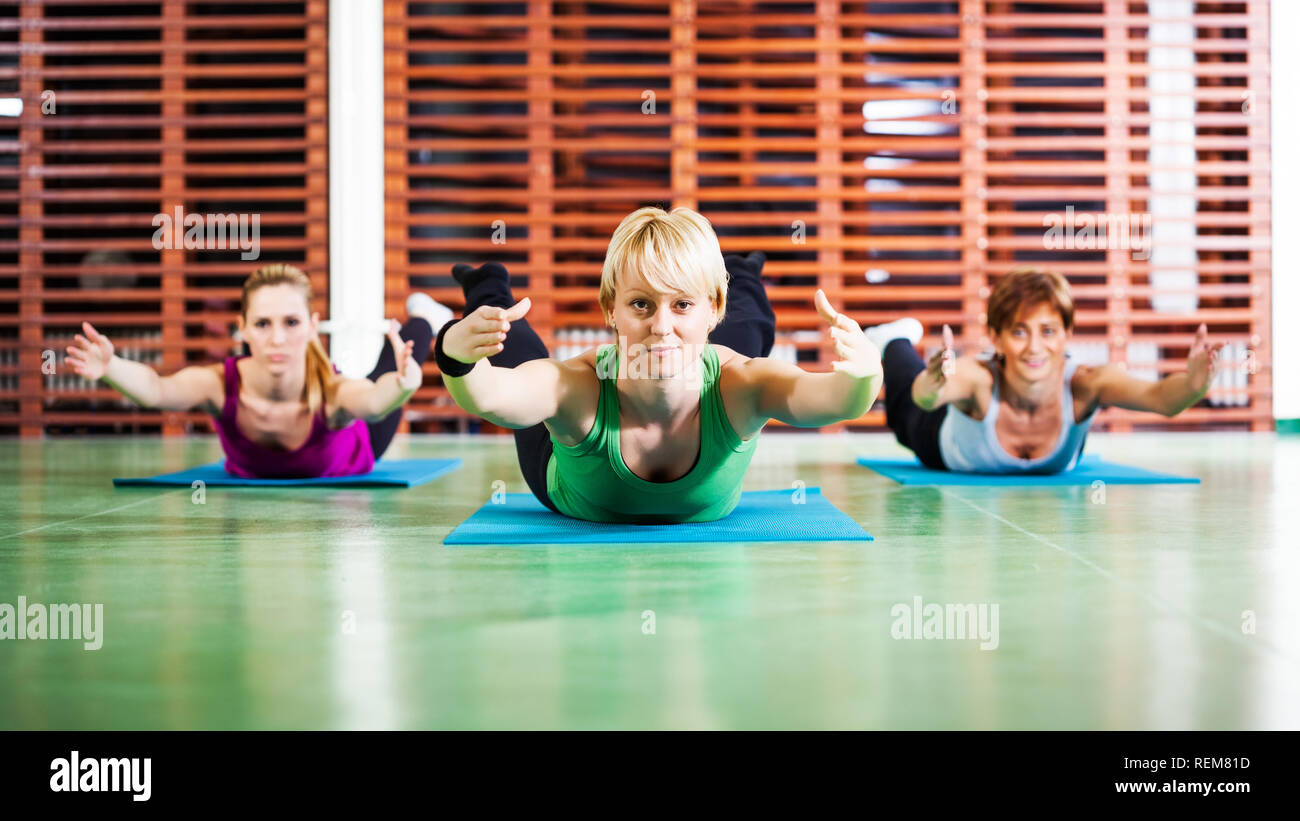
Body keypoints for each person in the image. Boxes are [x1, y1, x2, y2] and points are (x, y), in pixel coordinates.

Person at [435, 206, 884, 523]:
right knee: (516, 348)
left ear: (712, 308)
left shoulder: (741, 386)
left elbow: (836, 399)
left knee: (747, 337)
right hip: (567, 477)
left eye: (683, 303)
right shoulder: (576, 390)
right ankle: (487, 283)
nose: (661, 326)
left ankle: (742, 272)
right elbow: (490, 394)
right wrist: (455, 349)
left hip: (720, 343)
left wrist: (866, 373)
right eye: (641, 304)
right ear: (611, 309)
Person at [65, 263, 447, 478]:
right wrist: (111, 366)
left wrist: (402, 385)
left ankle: (425, 317)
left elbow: (376, 402)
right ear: (243, 327)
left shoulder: (332, 390)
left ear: (313, 326)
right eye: (263, 324)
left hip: (361, 447)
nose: (277, 339)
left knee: (389, 363)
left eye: (292, 323)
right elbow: (156, 389)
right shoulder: (218, 385)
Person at [864, 267, 1223, 473]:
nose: (1035, 347)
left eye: (1048, 331)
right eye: (1019, 332)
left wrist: (1193, 384)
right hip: (937, 441)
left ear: (1067, 334)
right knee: (903, 394)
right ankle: (893, 340)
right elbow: (926, 399)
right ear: (996, 338)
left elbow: (1160, 399)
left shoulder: (1087, 383)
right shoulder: (978, 379)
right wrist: (932, 380)